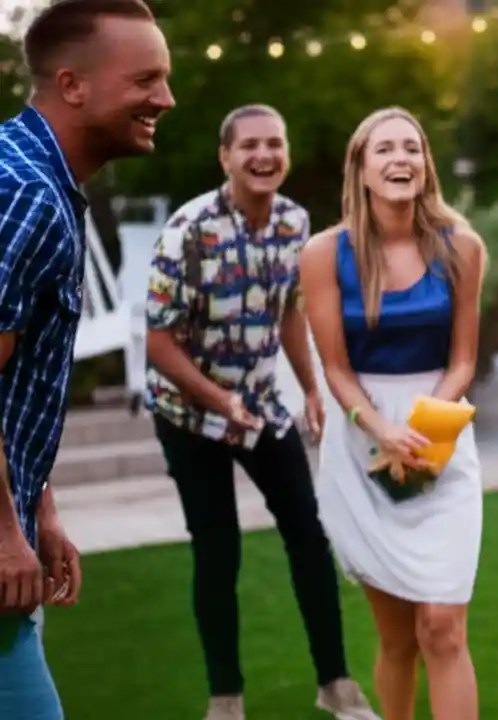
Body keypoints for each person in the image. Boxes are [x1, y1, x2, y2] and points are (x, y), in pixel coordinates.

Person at [144, 105, 377, 720]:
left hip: (260, 405)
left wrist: (310, 387)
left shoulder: (295, 223)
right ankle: (226, 699)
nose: (263, 155)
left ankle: (336, 685)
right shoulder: (189, 229)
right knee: (217, 551)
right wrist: (220, 402)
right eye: (249, 145)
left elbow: (289, 310)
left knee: (308, 532)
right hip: (189, 413)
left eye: (274, 143)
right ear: (226, 157)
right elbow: (159, 343)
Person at [0, 1, 173, 717]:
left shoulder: (35, 178)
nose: (165, 99)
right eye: (146, 80)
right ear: (73, 86)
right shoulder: (25, 194)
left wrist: (38, 504)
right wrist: (3, 530)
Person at [299, 107, 488, 720]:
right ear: (361, 167)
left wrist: (429, 428)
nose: (400, 159)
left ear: (425, 164)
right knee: (399, 637)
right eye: (384, 150)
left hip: (440, 431)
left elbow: (463, 360)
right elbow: (334, 368)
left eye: (412, 147)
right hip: (363, 442)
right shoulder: (324, 254)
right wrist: (379, 428)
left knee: (443, 626)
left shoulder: (462, 246)